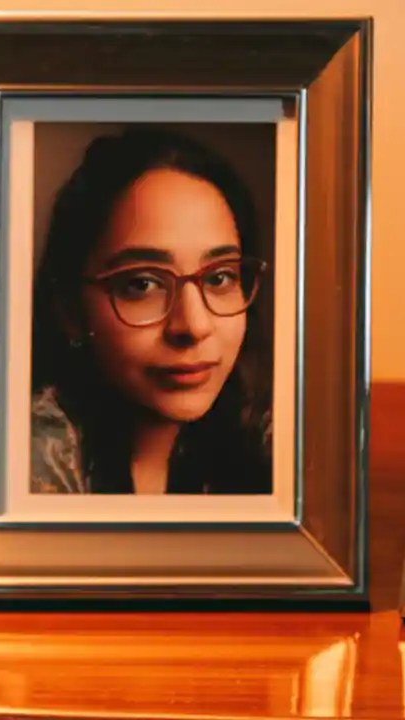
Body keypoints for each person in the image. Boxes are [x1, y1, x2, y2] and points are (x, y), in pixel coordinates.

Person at [29, 126, 273, 495]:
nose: (193, 325)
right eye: (142, 284)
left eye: (220, 277)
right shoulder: (29, 460)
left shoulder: (268, 437)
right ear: (70, 312)